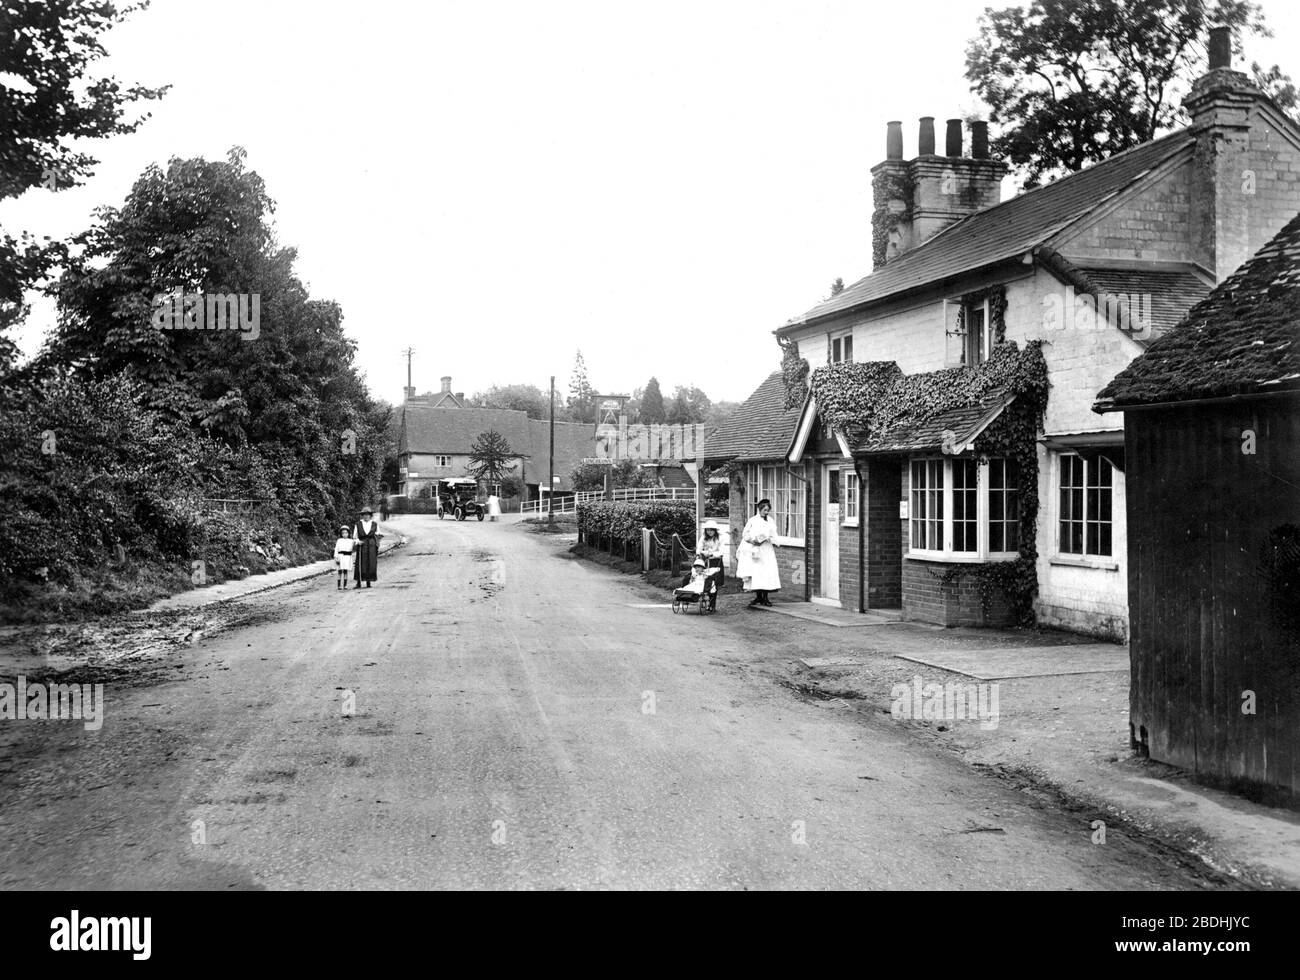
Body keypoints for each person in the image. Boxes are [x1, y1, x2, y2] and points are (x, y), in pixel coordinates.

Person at [735, 498, 780, 608]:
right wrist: (752, 540)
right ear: (759, 509)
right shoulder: (752, 520)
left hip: (766, 549)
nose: (766, 512)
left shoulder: (770, 521)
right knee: (757, 572)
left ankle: (765, 597)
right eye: (764, 510)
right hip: (756, 550)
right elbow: (745, 534)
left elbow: (774, 534)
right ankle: (758, 596)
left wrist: (770, 539)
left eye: (768, 510)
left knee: (767, 571)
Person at [696, 520, 728, 611]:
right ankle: (706, 601)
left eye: (711, 530)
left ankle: (712, 604)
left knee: (714, 584)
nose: (709, 532)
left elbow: (721, 550)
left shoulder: (720, 538)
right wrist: (700, 553)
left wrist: (713, 554)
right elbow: (699, 547)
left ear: (715, 530)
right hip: (705, 561)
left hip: (716, 562)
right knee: (705, 581)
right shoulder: (703, 538)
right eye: (707, 530)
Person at [352, 507, 380, 589]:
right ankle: (358, 582)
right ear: (362, 516)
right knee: (361, 562)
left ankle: (369, 581)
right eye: (364, 515)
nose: (366, 516)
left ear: (370, 515)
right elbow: (354, 536)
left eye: (368, 515)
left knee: (371, 562)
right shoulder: (358, 524)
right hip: (362, 544)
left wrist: (377, 538)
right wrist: (358, 541)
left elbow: (378, 533)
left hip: (371, 545)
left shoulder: (374, 524)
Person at [333, 526, 354, 591]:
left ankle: (345, 585)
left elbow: (355, 545)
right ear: (341, 534)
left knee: (345, 571)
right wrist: (336, 557)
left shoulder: (351, 541)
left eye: (346, 533)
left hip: (347, 557)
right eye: (343, 533)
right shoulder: (339, 540)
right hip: (340, 557)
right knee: (340, 571)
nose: (345, 534)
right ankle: (339, 585)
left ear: (348, 533)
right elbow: (336, 549)